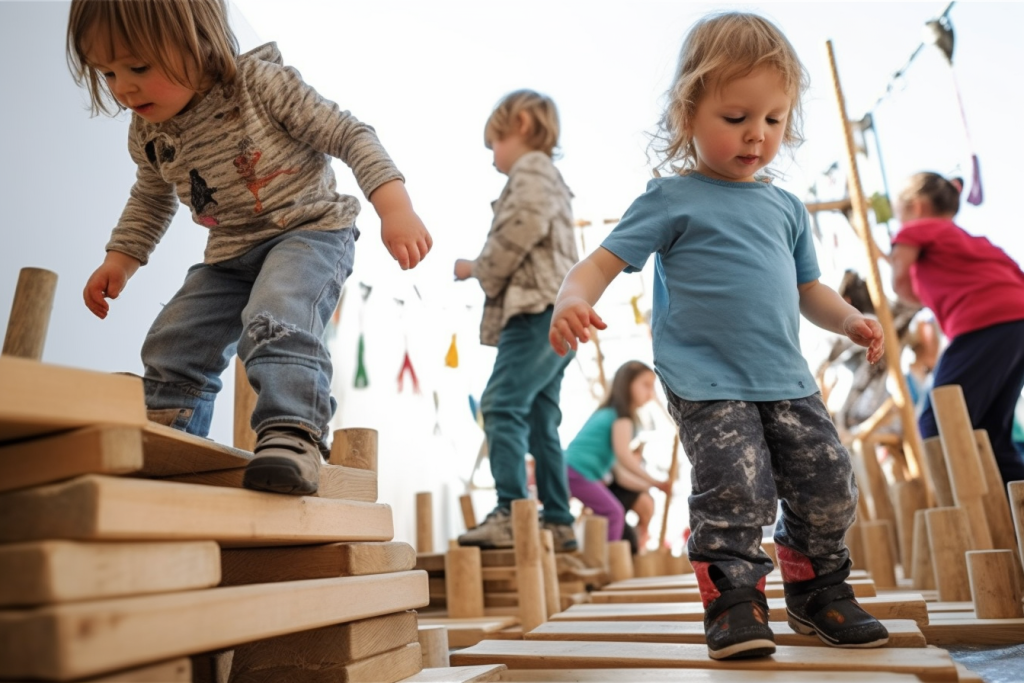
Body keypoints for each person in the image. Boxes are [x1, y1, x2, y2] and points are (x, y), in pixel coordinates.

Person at [548, 12, 889, 659]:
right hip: (706, 377)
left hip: (787, 376)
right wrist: (572, 296)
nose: (757, 136)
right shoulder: (672, 198)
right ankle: (733, 598)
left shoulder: (786, 208)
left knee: (830, 478)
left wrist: (847, 317)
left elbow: (806, 289)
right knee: (736, 484)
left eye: (774, 120)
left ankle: (817, 589)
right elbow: (601, 263)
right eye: (736, 119)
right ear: (688, 115)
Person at [67, 0, 431, 496]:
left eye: (138, 67)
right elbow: (150, 198)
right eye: (106, 72)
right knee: (173, 337)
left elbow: (350, 134)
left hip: (309, 231)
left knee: (275, 317)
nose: (122, 86)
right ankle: (166, 435)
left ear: (199, 40)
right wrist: (120, 259)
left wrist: (395, 207)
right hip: (230, 253)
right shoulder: (148, 131)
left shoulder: (260, 85)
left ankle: (292, 432)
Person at [453, 90, 579, 552]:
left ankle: (510, 510)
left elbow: (521, 227)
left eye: (494, 145)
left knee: (501, 406)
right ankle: (560, 520)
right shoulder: (551, 178)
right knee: (542, 420)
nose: (493, 159)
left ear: (521, 125)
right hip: (557, 313)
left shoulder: (531, 171)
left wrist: (478, 268)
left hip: (535, 312)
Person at [891, 172, 1024, 488]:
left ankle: (965, 515)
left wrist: (915, 295)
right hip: (1016, 322)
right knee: (992, 432)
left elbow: (900, 280)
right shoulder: (970, 241)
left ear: (918, 207)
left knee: (937, 423)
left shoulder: (917, 229)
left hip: (983, 323)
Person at [564, 361, 672, 547]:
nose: (650, 392)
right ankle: (609, 562)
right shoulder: (621, 419)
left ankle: (603, 556)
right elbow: (625, 456)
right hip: (576, 472)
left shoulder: (609, 413)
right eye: (646, 385)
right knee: (613, 512)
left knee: (608, 512)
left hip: (571, 471)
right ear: (628, 384)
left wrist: (652, 485)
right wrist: (654, 481)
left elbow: (620, 473)